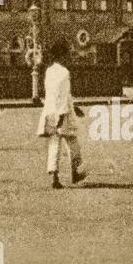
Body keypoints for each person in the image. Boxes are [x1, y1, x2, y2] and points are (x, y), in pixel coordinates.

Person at [36, 43, 86, 189]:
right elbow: (63, 96)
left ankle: (55, 177)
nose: (69, 57)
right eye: (67, 54)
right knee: (73, 143)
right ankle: (76, 172)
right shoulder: (64, 72)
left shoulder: (49, 71)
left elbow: (54, 93)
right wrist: (63, 115)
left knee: (54, 143)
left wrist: (74, 107)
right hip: (62, 114)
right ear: (62, 56)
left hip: (50, 111)